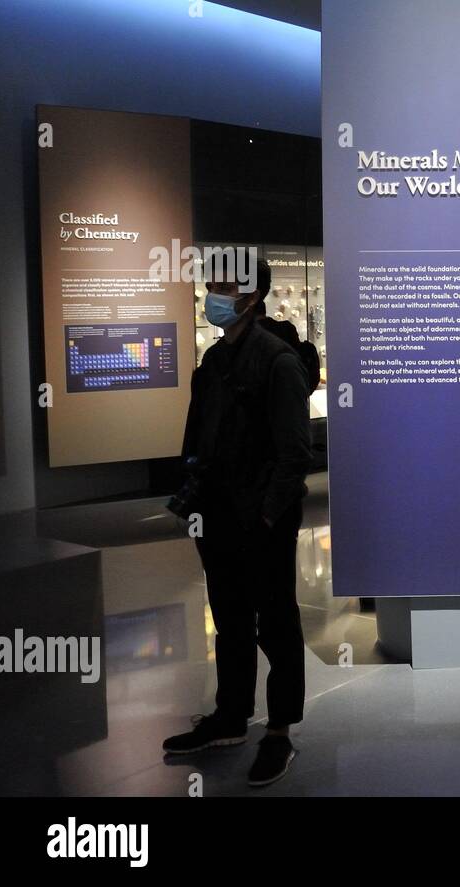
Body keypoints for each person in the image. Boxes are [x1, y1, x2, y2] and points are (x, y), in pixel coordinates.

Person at [163, 255, 312, 787]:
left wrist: (268, 514)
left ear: (251, 296)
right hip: (220, 516)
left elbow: (295, 454)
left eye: (223, 286)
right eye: (212, 285)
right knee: (228, 619)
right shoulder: (214, 362)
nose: (212, 294)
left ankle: (278, 731)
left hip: (262, 522)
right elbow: (199, 439)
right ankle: (230, 716)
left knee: (275, 621)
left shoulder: (278, 362)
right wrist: (191, 498)